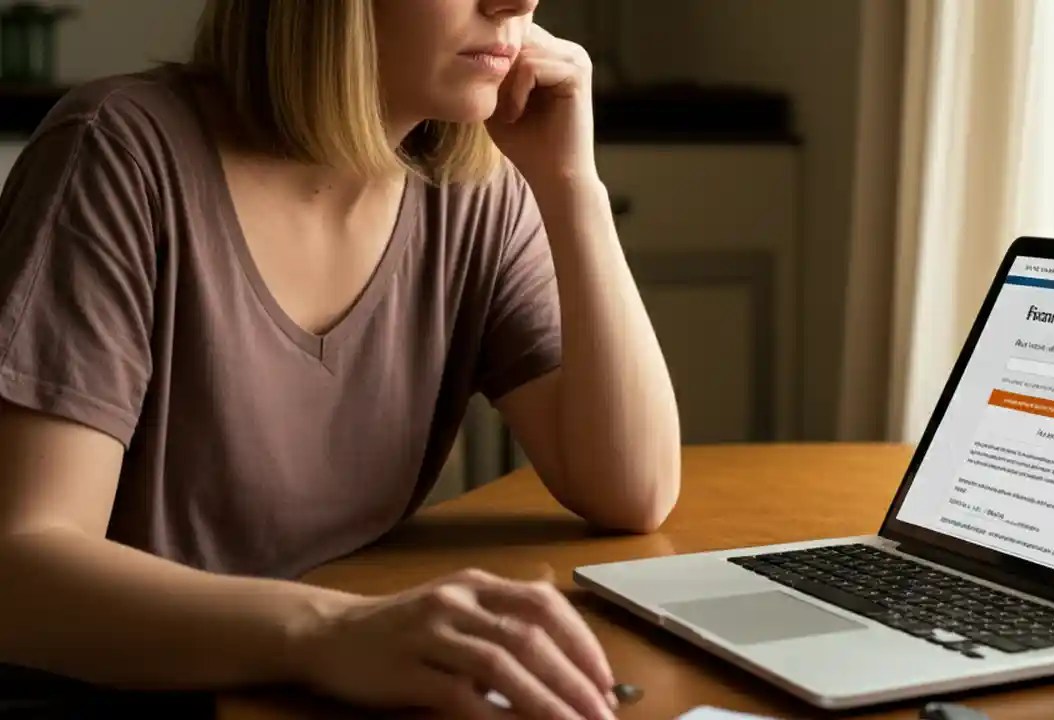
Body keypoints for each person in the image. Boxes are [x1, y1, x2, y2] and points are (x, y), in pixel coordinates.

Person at [0, 0, 681, 717]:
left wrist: (574, 187)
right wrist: (332, 630)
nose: (516, 1)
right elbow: (21, 568)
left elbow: (631, 489)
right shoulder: (120, 152)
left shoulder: (472, 196)